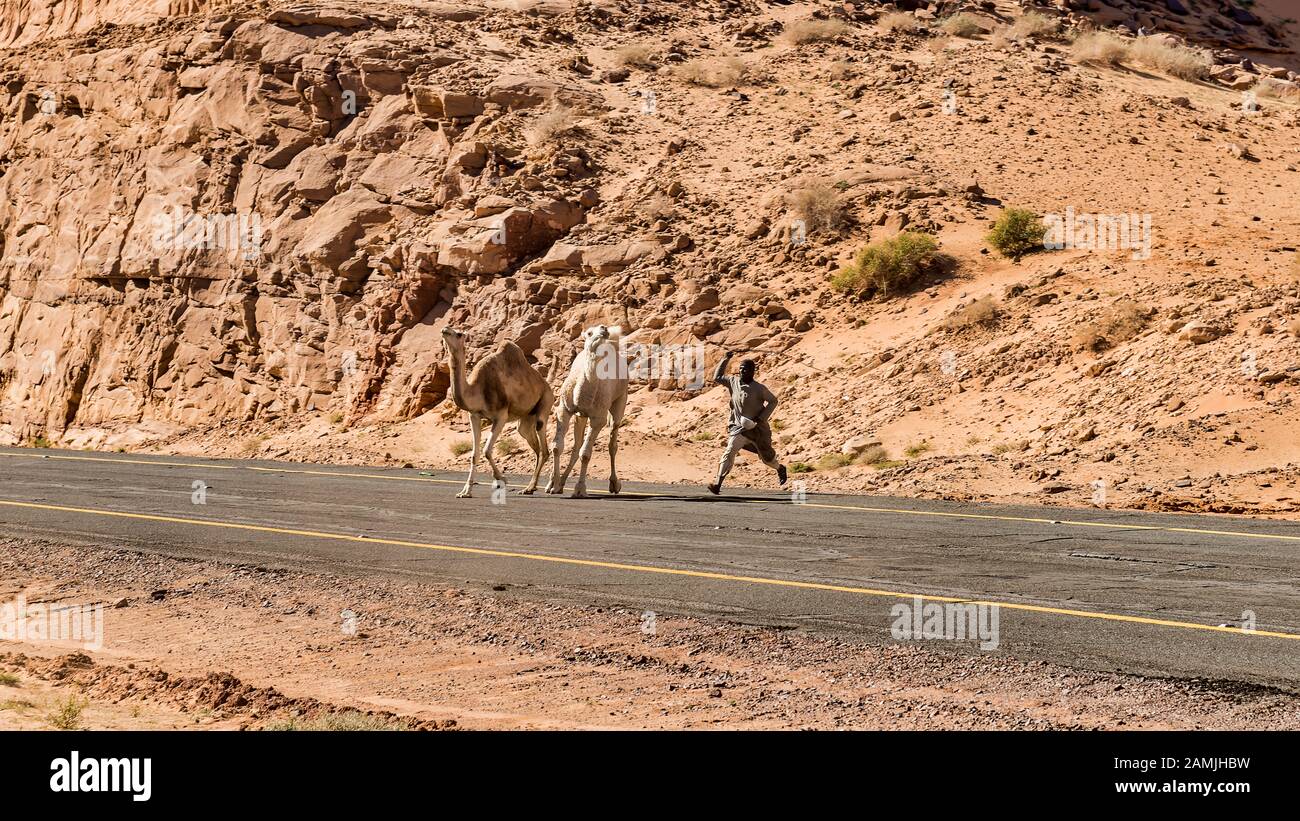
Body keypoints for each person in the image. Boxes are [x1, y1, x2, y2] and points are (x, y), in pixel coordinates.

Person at [707, 351, 787, 495]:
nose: (742, 371)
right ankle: (718, 484)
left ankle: (779, 468)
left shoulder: (759, 388)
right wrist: (726, 358)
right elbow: (717, 377)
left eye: (746, 369)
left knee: (767, 459)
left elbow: (773, 401)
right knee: (729, 452)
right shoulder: (733, 382)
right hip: (739, 428)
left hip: (757, 431)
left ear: (752, 371)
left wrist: (760, 418)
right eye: (741, 368)